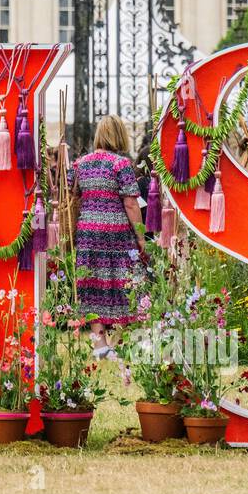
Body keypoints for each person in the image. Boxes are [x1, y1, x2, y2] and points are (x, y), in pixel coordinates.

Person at [71, 115, 146, 355]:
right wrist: (141, 237)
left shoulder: (80, 164)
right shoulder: (120, 164)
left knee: (92, 285)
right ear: (120, 135)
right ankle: (116, 342)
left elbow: (71, 195)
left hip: (87, 233)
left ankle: (99, 345)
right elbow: (131, 204)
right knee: (125, 284)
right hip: (116, 235)